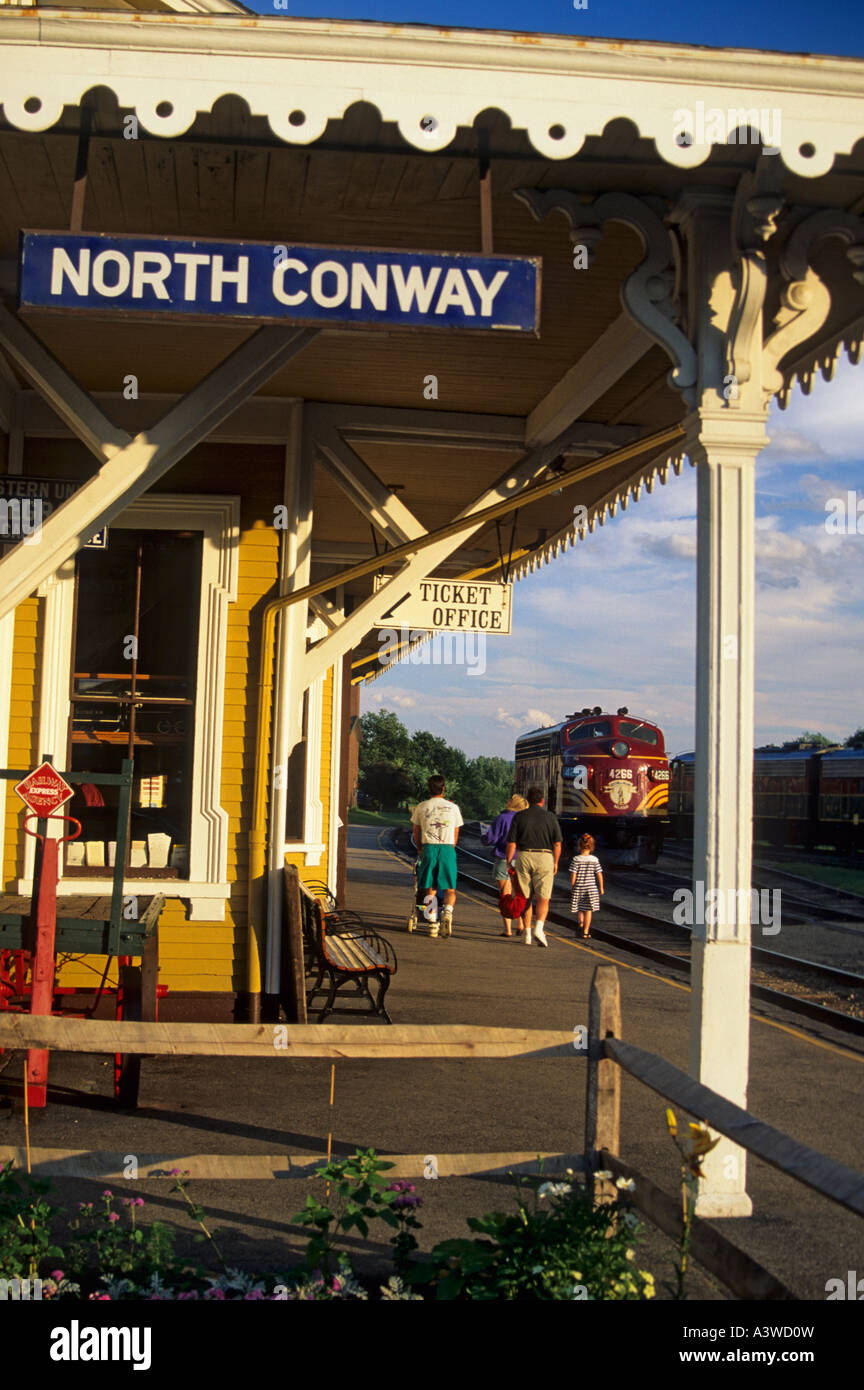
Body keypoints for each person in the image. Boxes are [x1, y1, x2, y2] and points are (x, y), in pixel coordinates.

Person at [505, 786, 562, 948]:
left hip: (524, 856)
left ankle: (528, 934)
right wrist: (556, 862)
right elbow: (557, 844)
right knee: (543, 897)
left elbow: (512, 843)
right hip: (545, 857)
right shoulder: (550, 817)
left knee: (525, 896)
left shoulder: (519, 816)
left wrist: (509, 861)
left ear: (528, 800)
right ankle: (539, 928)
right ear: (542, 800)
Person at [410, 774, 464, 938]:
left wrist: (420, 849)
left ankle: (432, 923)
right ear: (443, 789)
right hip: (447, 848)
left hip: (429, 848)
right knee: (450, 888)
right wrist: (450, 847)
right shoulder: (453, 808)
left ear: (429, 789)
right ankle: (447, 912)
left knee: (429, 887)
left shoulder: (421, 807)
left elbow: (416, 831)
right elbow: (455, 832)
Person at [481, 793, 529, 937]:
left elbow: (491, 838)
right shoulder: (524, 820)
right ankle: (520, 924)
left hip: (503, 858)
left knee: (505, 895)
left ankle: (507, 929)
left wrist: (484, 836)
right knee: (519, 893)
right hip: (521, 859)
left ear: (512, 803)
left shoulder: (502, 818)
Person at [569, 833, 604, 938]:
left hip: (579, 887)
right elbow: (599, 874)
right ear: (592, 846)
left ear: (579, 845)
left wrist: (572, 886)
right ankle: (585, 932)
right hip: (591, 888)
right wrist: (601, 887)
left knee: (580, 908)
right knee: (588, 910)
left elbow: (573, 874)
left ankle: (580, 923)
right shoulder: (594, 859)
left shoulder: (576, 859)